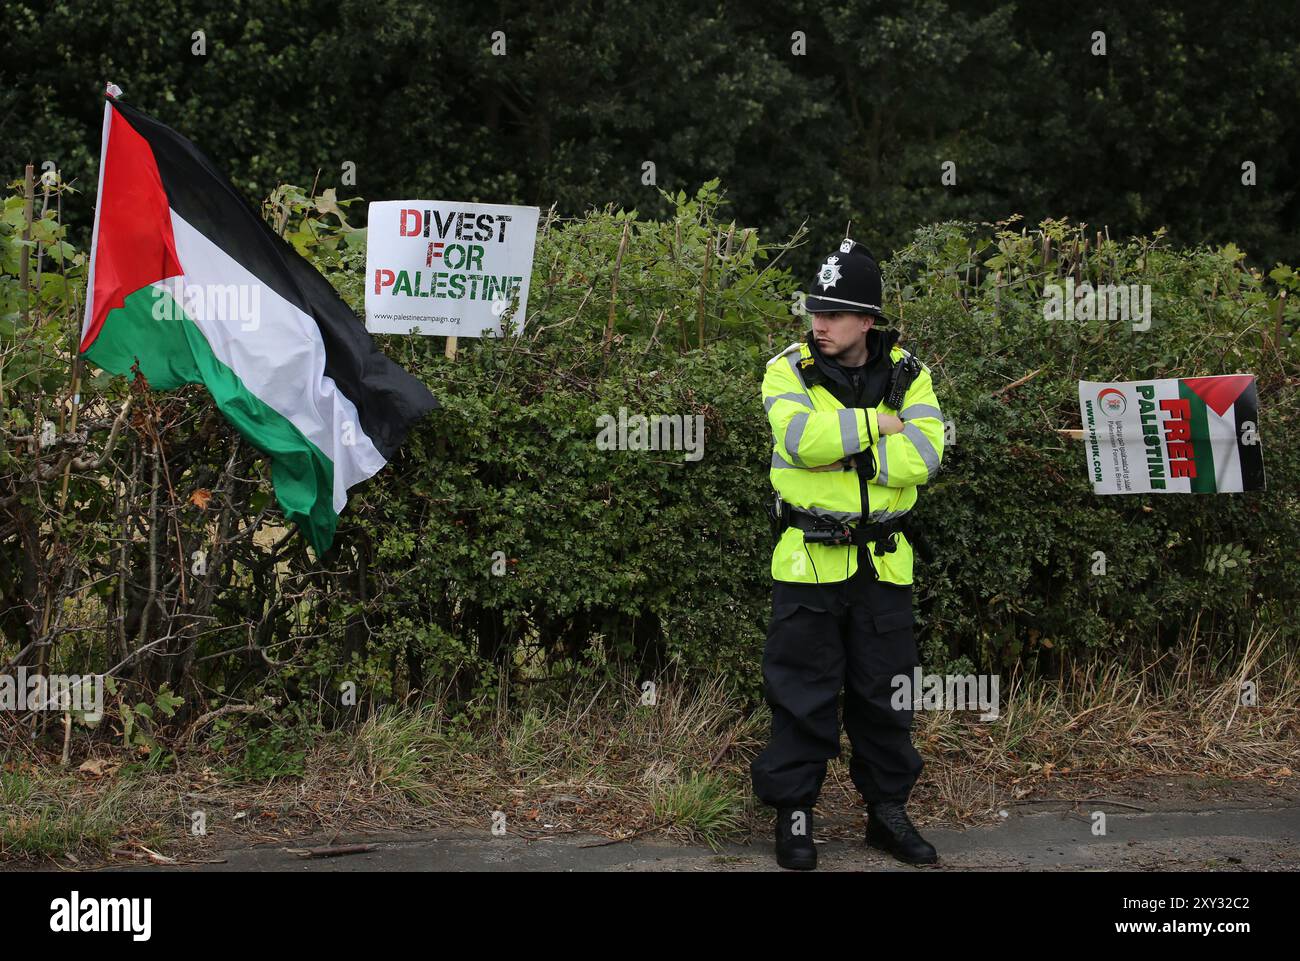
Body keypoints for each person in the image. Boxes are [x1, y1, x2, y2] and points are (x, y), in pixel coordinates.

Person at [752, 237, 945, 869]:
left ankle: (886, 814)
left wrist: (852, 447)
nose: (819, 324)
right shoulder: (787, 369)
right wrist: (881, 427)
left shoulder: (910, 374)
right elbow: (802, 440)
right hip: (807, 558)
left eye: (833, 313)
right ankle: (795, 815)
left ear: (867, 320)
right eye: (815, 311)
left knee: (886, 693)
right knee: (802, 693)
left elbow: (926, 456)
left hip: (882, 563)